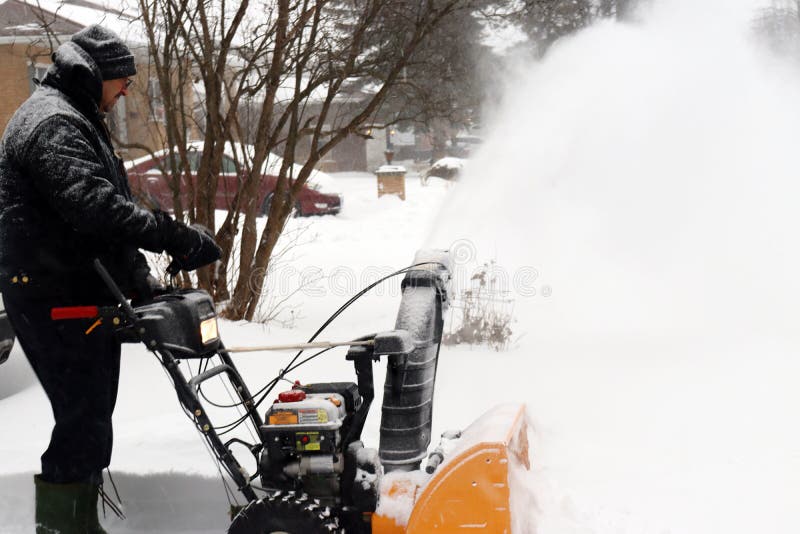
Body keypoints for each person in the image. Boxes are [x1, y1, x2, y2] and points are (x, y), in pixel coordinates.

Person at [0, 25, 221, 533]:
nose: (126, 90)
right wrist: (175, 237)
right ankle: (63, 526)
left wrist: (142, 281)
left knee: (92, 417)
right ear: (93, 73)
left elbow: (106, 223)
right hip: (50, 295)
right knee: (82, 419)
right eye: (121, 79)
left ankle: (77, 520)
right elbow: (96, 209)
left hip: (76, 289)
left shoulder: (76, 117)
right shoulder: (50, 122)